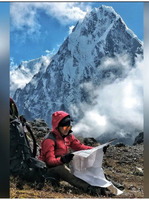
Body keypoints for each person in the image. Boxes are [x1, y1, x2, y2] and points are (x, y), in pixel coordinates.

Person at [39, 111, 106, 196]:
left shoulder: (68, 137)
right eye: (64, 127)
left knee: (82, 167)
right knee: (63, 170)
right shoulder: (49, 140)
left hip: (61, 163)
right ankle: (90, 189)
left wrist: (97, 150)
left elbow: (80, 147)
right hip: (47, 169)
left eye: (69, 126)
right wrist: (63, 159)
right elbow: (49, 161)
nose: (67, 129)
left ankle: (103, 185)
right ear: (57, 127)